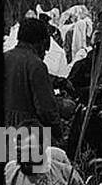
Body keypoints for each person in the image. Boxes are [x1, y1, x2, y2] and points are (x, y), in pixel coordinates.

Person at [4, 16, 62, 144]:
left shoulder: (4, 58)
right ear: (40, 42)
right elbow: (46, 109)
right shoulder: (36, 64)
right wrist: (57, 133)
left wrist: (57, 81)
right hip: (27, 133)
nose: (45, 53)